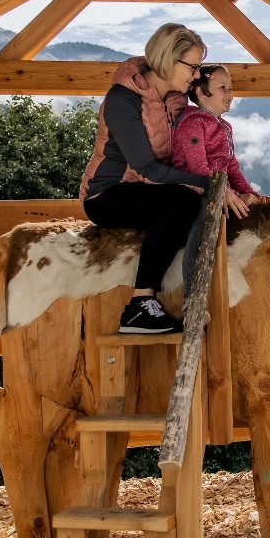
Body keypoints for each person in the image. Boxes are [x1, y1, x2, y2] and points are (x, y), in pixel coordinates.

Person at [79, 23, 210, 334]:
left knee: (190, 202)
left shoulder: (178, 100)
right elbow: (146, 167)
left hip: (149, 191)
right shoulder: (122, 100)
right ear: (167, 59)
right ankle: (139, 306)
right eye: (192, 66)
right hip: (107, 195)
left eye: (199, 67)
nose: (195, 75)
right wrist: (209, 184)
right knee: (184, 201)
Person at [170, 64, 264, 217]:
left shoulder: (225, 127)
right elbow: (198, 169)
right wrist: (236, 196)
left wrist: (250, 193)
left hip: (219, 191)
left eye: (230, 88)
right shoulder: (193, 124)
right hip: (195, 190)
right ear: (200, 92)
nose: (229, 94)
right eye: (223, 87)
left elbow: (232, 168)